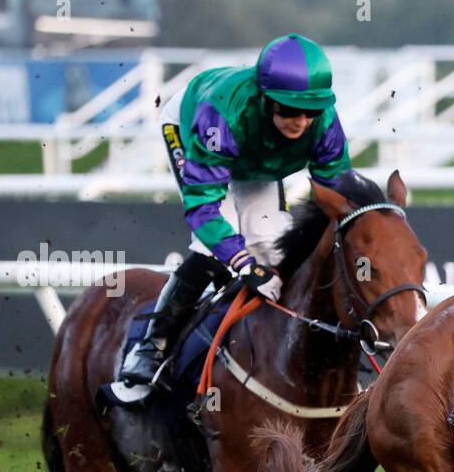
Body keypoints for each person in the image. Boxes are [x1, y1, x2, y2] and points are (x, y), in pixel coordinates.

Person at [121, 33, 353, 387]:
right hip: (193, 131)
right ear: (265, 99)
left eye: (312, 110)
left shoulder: (324, 124)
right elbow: (203, 209)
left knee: (273, 246)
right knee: (213, 249)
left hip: (257, 161)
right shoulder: (222, 116)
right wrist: (243, 263)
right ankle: (153, 343)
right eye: (290, 109)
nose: (302, 121)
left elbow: (337, 195)